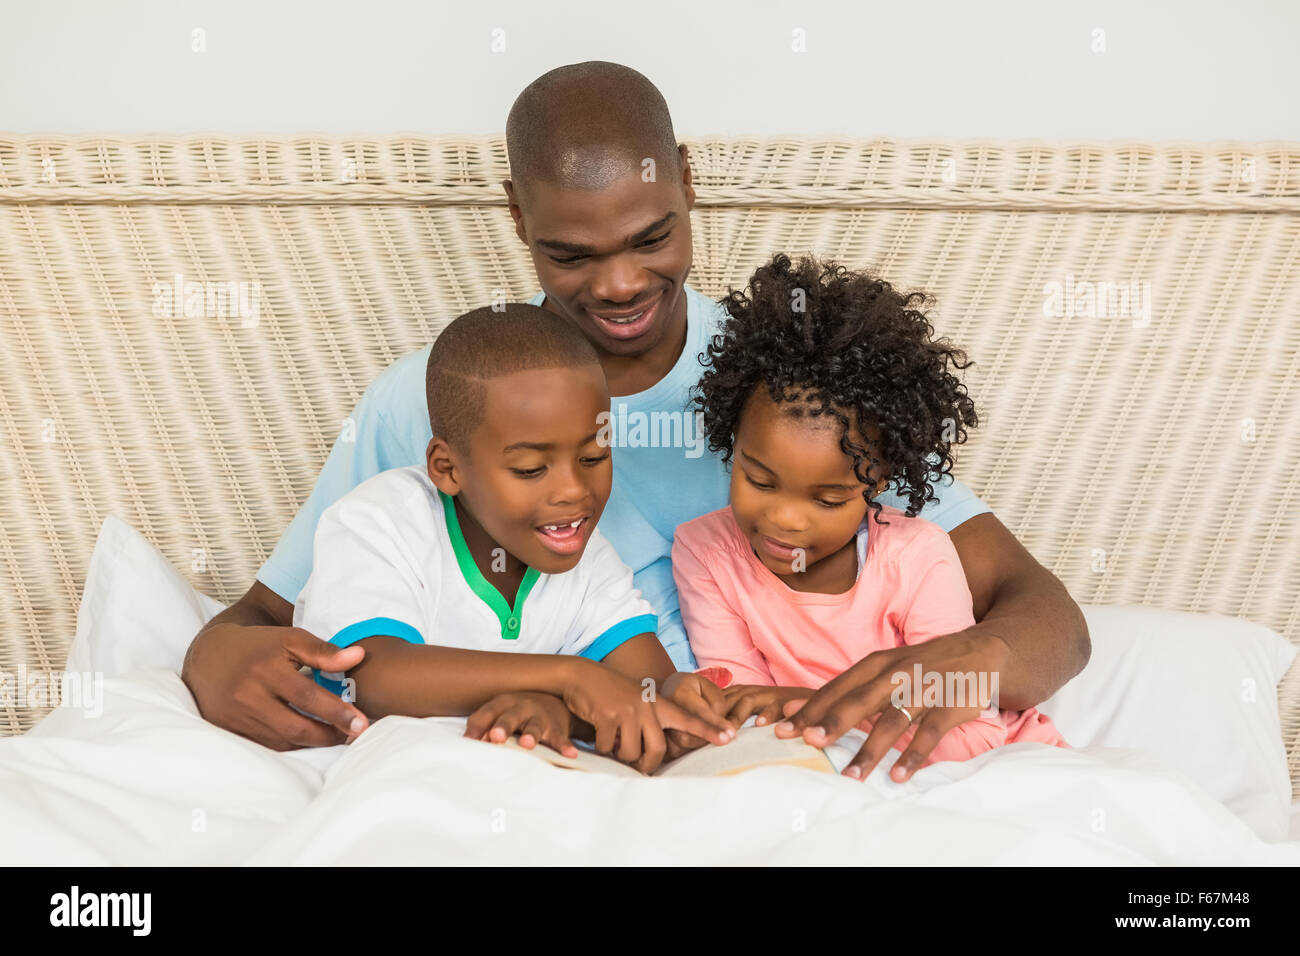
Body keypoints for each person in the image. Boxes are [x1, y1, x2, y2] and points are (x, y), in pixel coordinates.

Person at [182, 61, 1089, 782]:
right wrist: (213, 658)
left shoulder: (785, 383)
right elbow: (269, 616)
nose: (617, 286)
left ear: (688, 183)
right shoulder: (437, 395)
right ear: (516, 216)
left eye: (650, 238)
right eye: (570, 254)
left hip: (727, 754)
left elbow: (1053, 621)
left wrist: (945, 670)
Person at [671, 253, 1069, 781]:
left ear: (877, 483)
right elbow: (741, 715)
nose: (786, 519)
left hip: (1004, 771)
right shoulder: (705, 552)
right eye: (759, 481)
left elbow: (973, 737)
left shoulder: (916, 556)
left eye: (828, 500)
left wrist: (805, 706)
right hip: (842, 776)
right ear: (732, 444)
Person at [294, 303, 732, 773]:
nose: (572, 491)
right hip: (382, 782)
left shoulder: (586, 557)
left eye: (592, 457)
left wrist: (659, 700)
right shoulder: (380, 520)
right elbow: (374, 675)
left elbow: (643, 685)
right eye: (530, 469)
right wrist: (569, 677)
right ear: (448, 468)